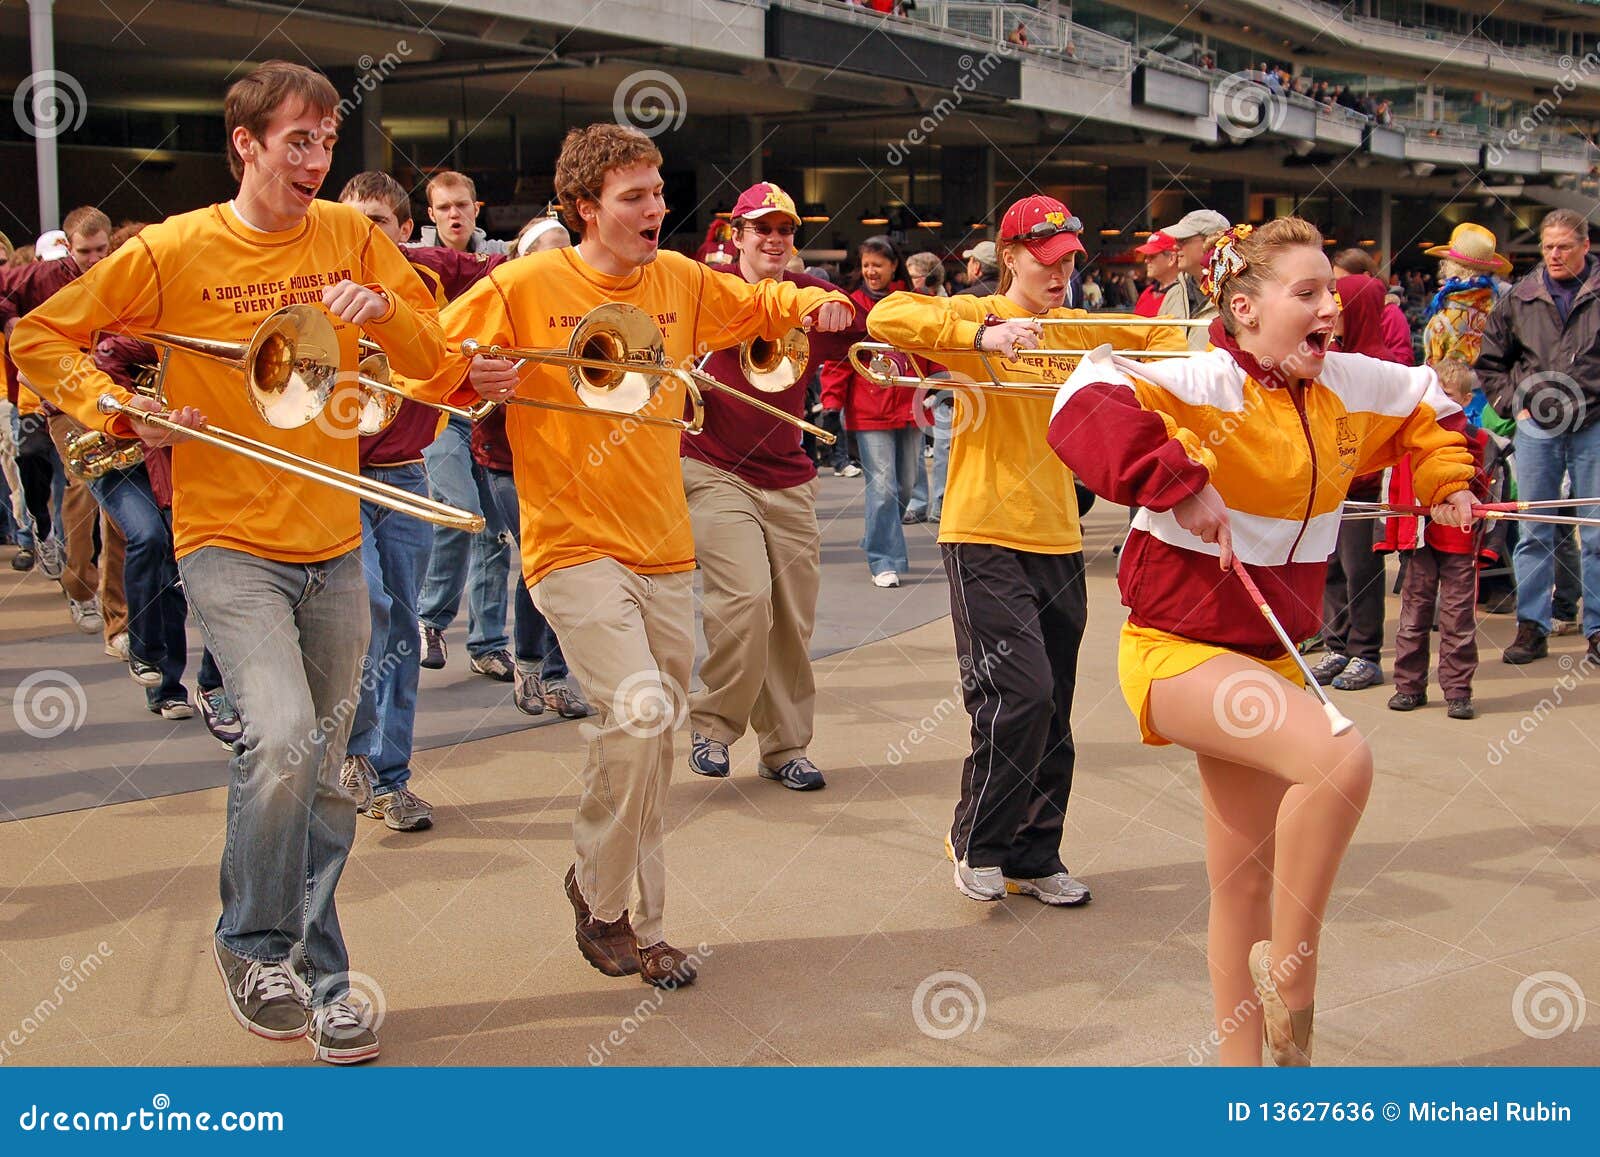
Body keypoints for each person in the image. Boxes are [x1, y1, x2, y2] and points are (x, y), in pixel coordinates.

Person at [12, 60, 449, 1064]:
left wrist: (387, 316)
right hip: (227, 541)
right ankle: (252, 945)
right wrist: (121, 406)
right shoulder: (173, 249)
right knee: (286, 731)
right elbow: (43, 337)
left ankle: (323, 975)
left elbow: (435, 361)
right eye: (297, 139)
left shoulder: (349, 233)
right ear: (245, 143)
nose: (317, 157)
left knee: (330, 771)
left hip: (334, 539)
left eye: (329, 139)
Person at [428, 123, 851, 988]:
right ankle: (609, 902)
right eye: (635, 197)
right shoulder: (524, 281)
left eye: (659, 193)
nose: (656, 208)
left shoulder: (683, 279)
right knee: (641, 713)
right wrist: (474, 376)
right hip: (571, 543)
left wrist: (812, 301)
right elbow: (433, 358)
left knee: (651, 745)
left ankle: (628, 910)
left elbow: (761, 305)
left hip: (663, 544)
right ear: (588, 208)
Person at [1047, 218, 1474, 1065]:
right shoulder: (1201, 377)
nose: (1331, 310)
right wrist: (1176, 479)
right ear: (1244, 308)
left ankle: (1253, 1093)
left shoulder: (1348, 382)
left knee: (1241, 885)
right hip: (1177, 649)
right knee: (1340, 759)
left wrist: (1445, 483)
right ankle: (1295, 976)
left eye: (1332, 294)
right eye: (1306, 293)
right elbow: (1080, 397)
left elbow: (1432, 406)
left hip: (1270, 653)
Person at [868, 193, 1185, 906]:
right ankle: (977, 839)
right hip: (981, 530)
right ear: (1008, 258)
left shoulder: (1071, 327)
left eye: (1070, 261)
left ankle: (1036, 855)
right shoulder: (973, 318)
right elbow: (885, 316)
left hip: (1057, 536)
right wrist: (984, 336)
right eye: (1046, 261)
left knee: (1056, 705)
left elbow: (1163, 339)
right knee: (1018, 692)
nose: (1060, 273)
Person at [682, 181, 863, 791]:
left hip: (788, 476)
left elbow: (866, 334)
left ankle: (785, 747)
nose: (775, 239)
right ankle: (713, 725)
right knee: (744, 599)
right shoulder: (707, 289)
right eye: (762, 229)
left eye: (785, 230)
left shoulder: (810, 291)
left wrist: (845, 312)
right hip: (712, 470)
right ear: (736, 236)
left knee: (792, 617)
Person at [1477, 208, 1600, 668]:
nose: (1553, 254)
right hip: (1537, 429)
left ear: (1585, 246)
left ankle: (1597, 629)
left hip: (1593, 425)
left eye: (1564, 246)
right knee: (1534, 530)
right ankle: (1532, 626)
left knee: (1594, 533)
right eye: (1547, 246)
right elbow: (1490, 361)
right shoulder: (1519, 298)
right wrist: (1514, 405)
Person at [0, 206, 114, 632]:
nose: (95, 258)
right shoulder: (42, 278)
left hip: (109, 398)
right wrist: (13, 322)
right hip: (51, 402)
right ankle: (73, 577)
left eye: (101, 248)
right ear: (69, 249)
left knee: (113, 503)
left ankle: (119, 610)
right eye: (86, 251)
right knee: (65, 481)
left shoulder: (121, 269)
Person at [1309, 275, 1410, 693]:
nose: (1330, 314)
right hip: (1331, 486)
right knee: (1329, 567)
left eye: (1339, 306)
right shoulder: (1330, 360)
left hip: (1364, 488)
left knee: (1360, 570)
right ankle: (1337, 643)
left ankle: (1366, 652)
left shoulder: (1382, 367)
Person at [1382, 358, 1491, 720]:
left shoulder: (1476, 440)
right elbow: (1396, 491)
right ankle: (1409, 686)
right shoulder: (1412, 441)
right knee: (1413, 616)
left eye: (1449, 396)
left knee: (1457, 618)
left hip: (1460, 543)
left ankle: (1458, 691)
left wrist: (1485, 544)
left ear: (1466, 398)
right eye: (1435, 396)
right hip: (1420, 542)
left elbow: (1486, 496)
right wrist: (1391, 538)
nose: (1440, 403)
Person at [819, 236, 921, 586]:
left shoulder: (911, 303)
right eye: (865, 265)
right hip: (868, 409)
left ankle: (876, 538)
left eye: (878, 264)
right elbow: (838, 361)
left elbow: (929, 346)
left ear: (894, 266)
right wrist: (831, 406)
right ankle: (883, 559)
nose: (870, 271)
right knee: (883, 486)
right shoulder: (852, 305)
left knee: (906, 485)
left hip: (909, 404)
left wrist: (940, 382)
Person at [1158, 208, 1231, 350]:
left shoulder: (1238, 295)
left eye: (1183, 240)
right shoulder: (1174, 294)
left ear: (1212, 242)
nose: (1175, 246)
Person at [417, 170, 510, 254]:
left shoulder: (501, 253)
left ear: (476, 209)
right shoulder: (411, 258)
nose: (454, 214)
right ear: (432, 214)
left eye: (462, 205)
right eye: (444, 207)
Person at [1134, 232, 1180, 317]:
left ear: (1171, 258)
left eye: (1152, 256)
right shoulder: (1147, 292)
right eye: (1146, 256)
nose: (1146, 260)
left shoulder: (1184, 295)